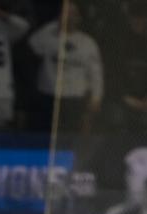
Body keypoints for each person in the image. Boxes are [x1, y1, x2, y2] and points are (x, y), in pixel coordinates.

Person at [26, 1, 102, 132]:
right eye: (66, 13)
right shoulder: (48, 37)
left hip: (75, 100)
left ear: (79, 18)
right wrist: (56, 25)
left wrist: (96, 98)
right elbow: (32, 44)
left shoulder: (88, 43)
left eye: (73, 13)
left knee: (71, 137)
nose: (69, 16)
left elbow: (96, 73)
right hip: (48, 97)